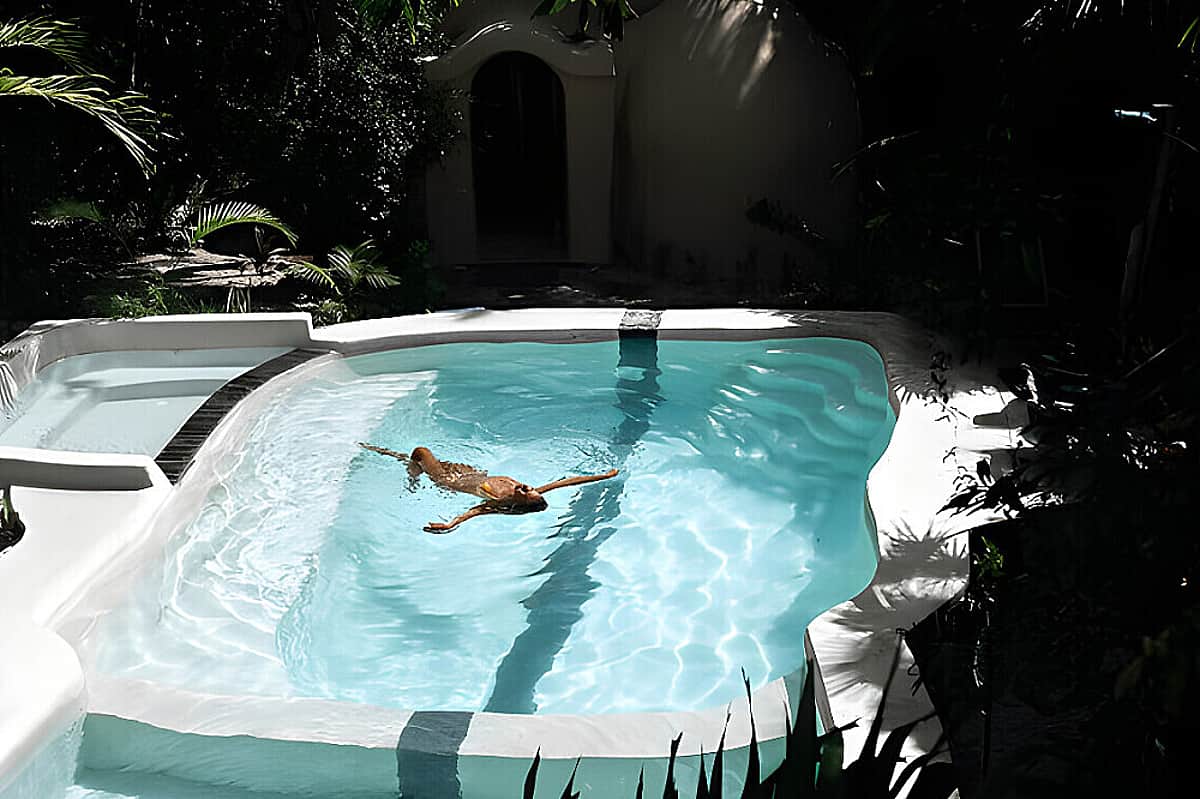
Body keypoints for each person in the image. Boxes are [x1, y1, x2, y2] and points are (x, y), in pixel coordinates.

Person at [358, 443, 618, 533]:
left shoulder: (500, 502)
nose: (527, 487)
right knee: (415, 457)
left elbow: (475, 512)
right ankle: (410, 467)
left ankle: (412, 473)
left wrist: (450, 525)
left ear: (519, 504)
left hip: (450, 481)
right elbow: (565, 482)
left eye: (527, 493)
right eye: (531, 489)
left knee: (419, 452)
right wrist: (603, 475)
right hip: (468, 472)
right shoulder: (525, 492)